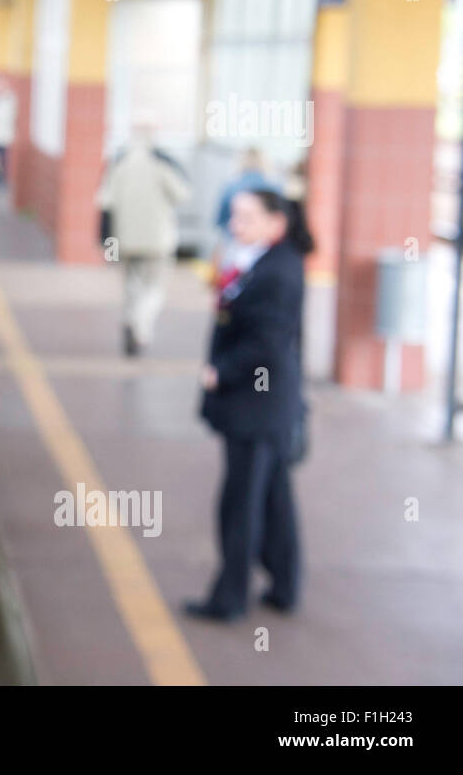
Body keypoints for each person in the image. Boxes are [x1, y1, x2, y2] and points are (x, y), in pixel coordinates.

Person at [186, 188, 313, 622]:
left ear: (276, 223)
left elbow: (269, 343)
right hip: (266, 405)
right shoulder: (263, 260)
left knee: (241, 503)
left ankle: (230, 597)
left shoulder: (278, 271)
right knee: (274, 495)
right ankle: (284, 583)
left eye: (246, 217)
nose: (236, 225)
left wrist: (224, 371)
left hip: (257, 405)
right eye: (234, 217)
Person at [95, 125, 190, 355]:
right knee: (154, 288)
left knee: (130, 285)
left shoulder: (119, 163)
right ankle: (140, 327)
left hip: (125, 239)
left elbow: (105, 203)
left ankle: (130, 319)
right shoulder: (161, 164)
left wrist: (108, 246)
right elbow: (182, 195)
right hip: (157, 240)